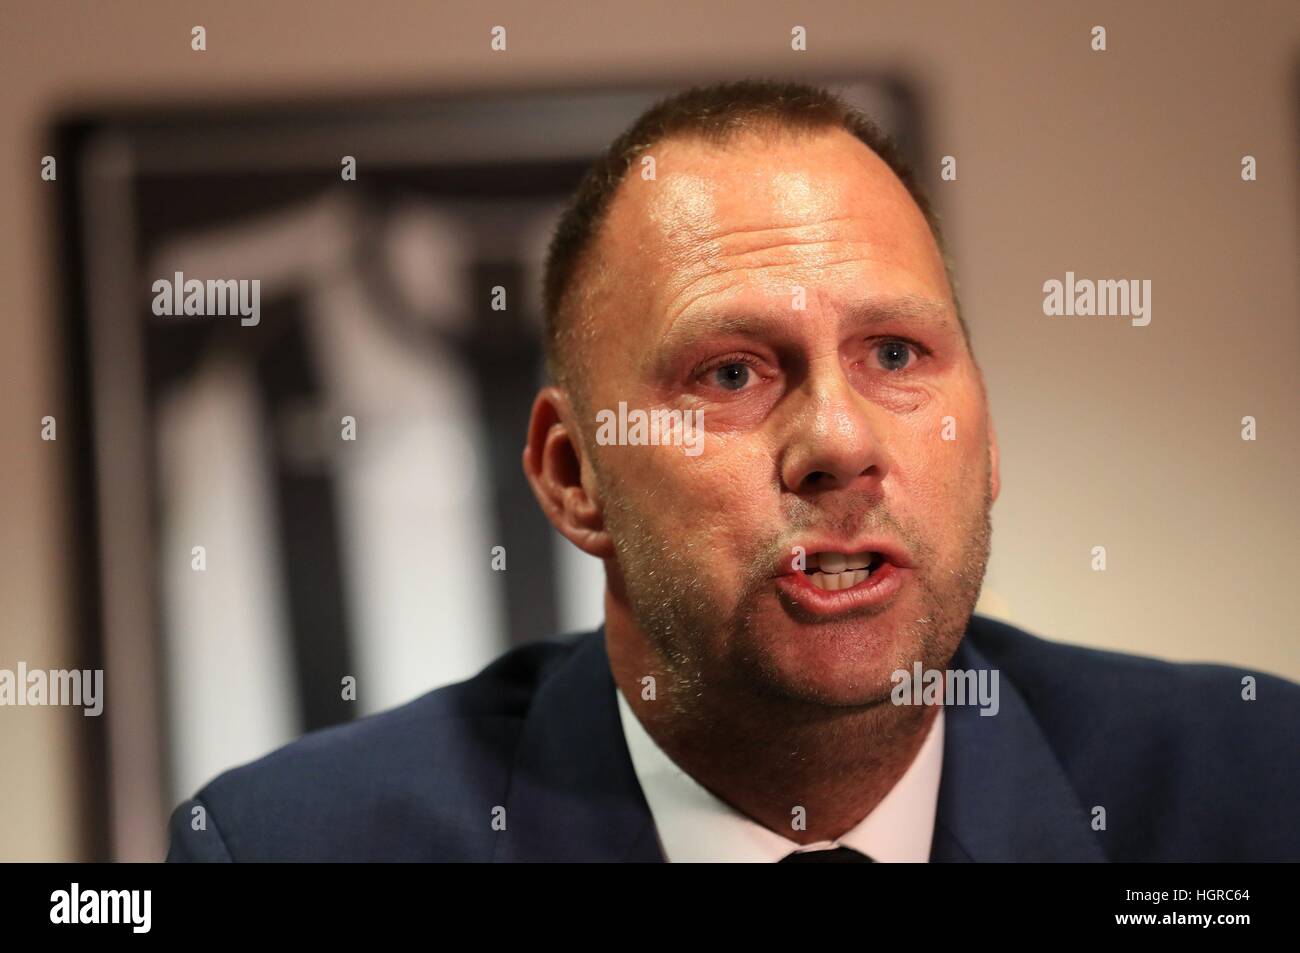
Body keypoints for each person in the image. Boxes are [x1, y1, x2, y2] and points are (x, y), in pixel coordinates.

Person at [166, 79, 1299, 862]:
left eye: (896, 355)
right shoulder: (290, 849)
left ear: (986, 431)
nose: (841, 442)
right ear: (572, 475)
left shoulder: (1255, 790)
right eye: (730, 373)